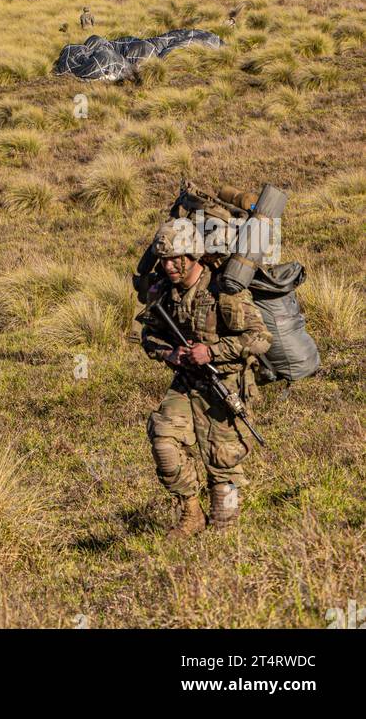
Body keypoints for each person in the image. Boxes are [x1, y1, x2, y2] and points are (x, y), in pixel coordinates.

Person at [138, 220, 272, 537]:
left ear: (194, 255)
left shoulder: (221, 291)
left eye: (176, 258)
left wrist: (212, 352)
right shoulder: (164, 293)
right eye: (165, 260)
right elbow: (149, 336)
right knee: (164, 441)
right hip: (187, 381)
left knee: (224, 461)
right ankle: (191, 514)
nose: (169, 266)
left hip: (226, 384)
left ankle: (225, 523)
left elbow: (261, 337)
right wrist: (168, 354)